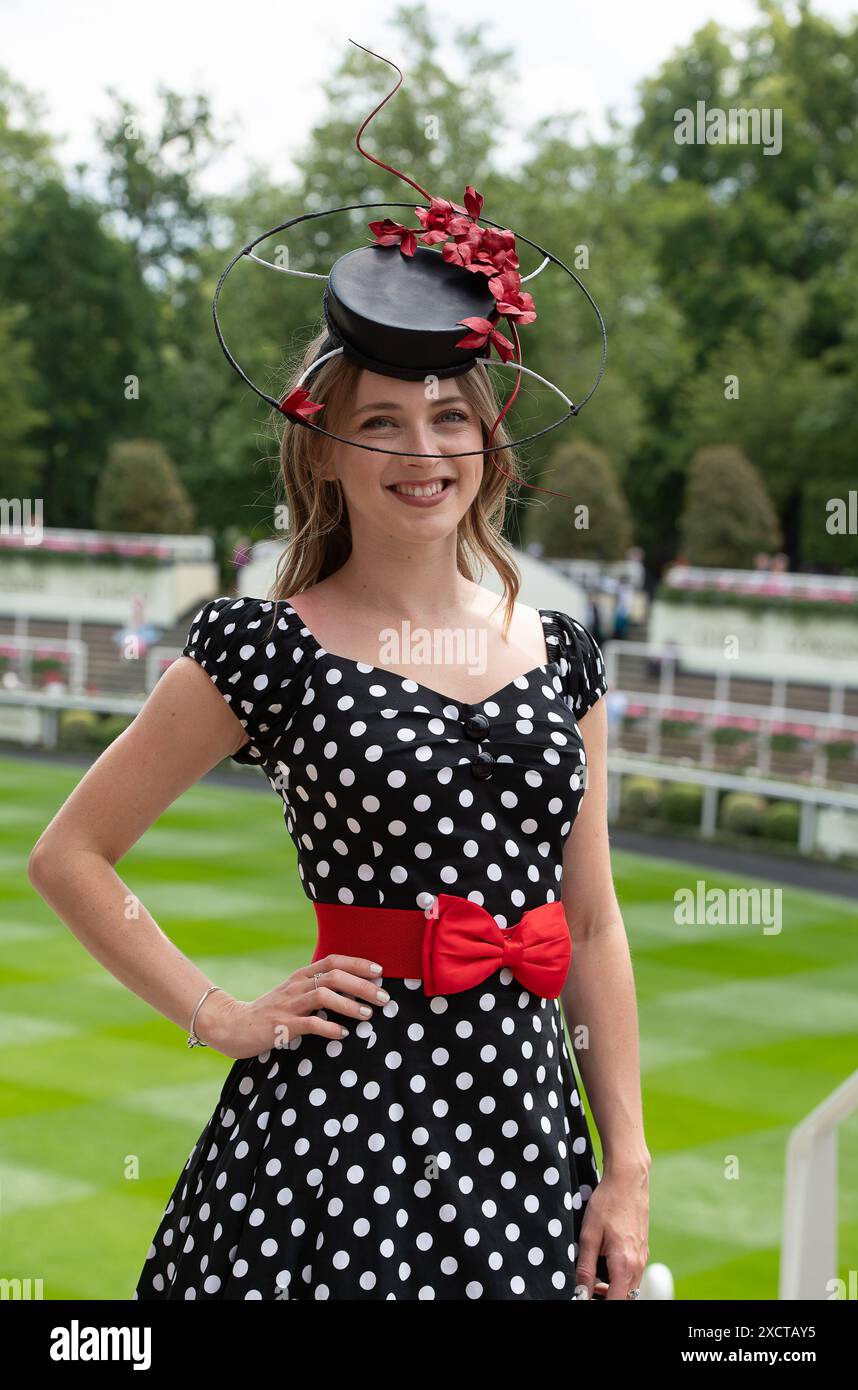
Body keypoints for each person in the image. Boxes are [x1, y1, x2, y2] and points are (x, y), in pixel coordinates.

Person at [27, 46, 649, 1302]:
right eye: (381, 421)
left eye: (448, 418)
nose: (421, 450)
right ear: (325, 451)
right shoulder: (264, 647)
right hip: (334, 1132)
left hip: (524, 1141)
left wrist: (624, 1162)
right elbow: (69, 854)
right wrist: (220, 1012)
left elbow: (588, 922)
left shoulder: (565, 652)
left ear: (488, 438)